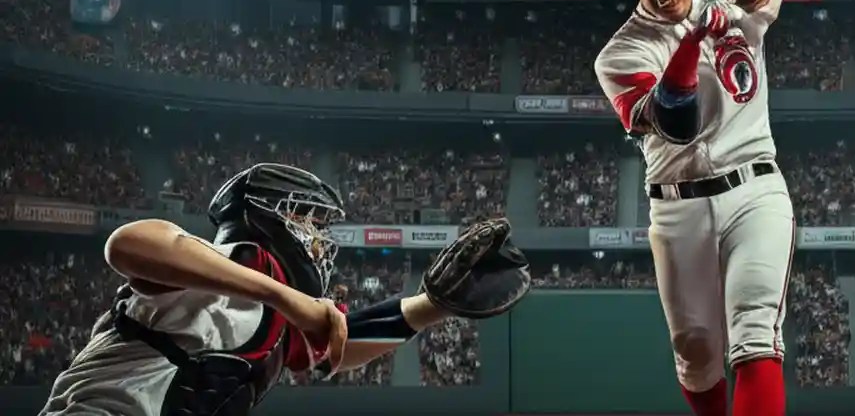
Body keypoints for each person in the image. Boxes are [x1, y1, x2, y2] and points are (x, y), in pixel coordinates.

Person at [40, 162, 529, 416]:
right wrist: (285, 297)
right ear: (268, 217)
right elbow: (126, 244)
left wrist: (431, 306)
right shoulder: (228, 263)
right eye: (307, 219)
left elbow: (338, 340)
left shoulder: (261, 305)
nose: (319, 238)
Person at [594, 0, 795, 416]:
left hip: (754, 190)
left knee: (755, 333)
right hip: (677, 207)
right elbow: (676, 122)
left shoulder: (726, 0)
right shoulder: (619, 54)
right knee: (697, 353)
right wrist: (691, 41)